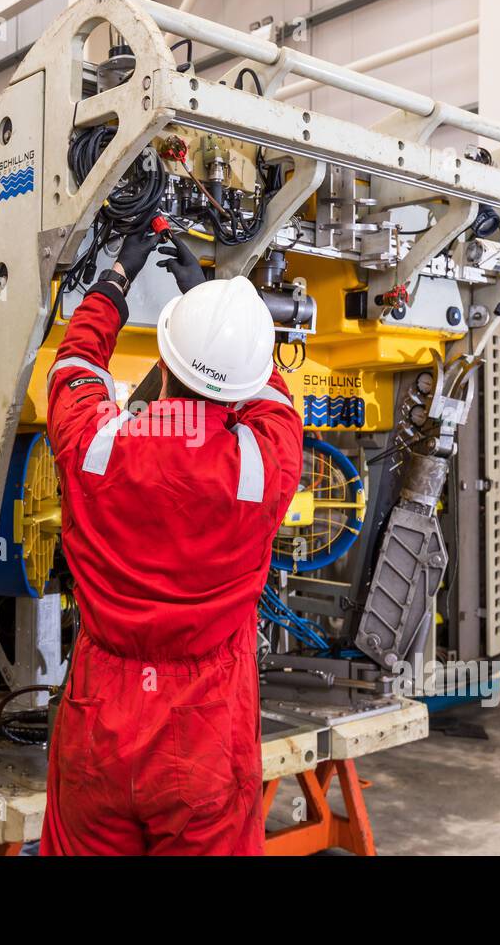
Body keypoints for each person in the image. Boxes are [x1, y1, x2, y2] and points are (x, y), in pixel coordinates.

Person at [38, 229, 303, 856]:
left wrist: (115, 282)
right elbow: (271, 398)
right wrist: (205, 297)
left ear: (163, 362)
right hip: (206, 729)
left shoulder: (98, 445)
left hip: (99, 721)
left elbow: (74, 368)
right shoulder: (264, 466)